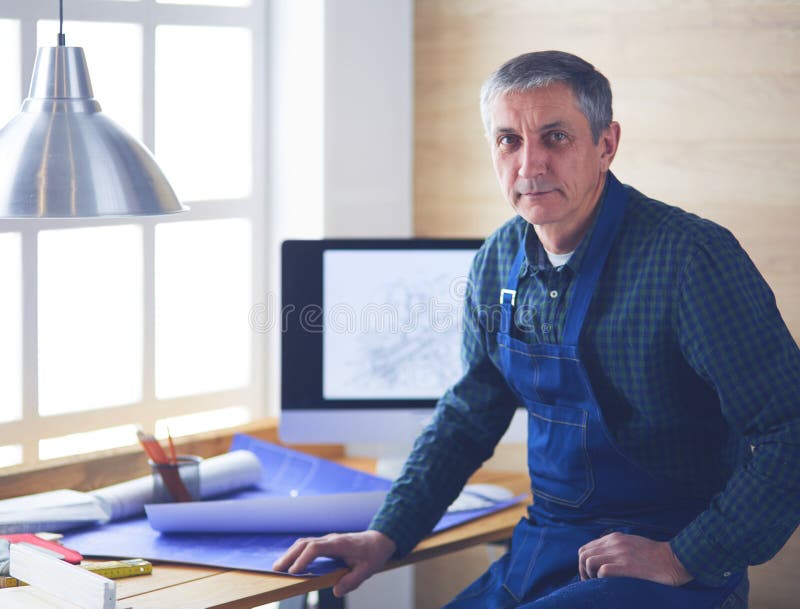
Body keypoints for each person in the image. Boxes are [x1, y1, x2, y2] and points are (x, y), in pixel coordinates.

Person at [274, 51, 800, 608]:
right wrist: (387, 533)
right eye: (508, 141)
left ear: (606, 144)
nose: (530, 165)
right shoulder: (497, 259)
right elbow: (469, 415)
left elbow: (789, 430)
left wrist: (683, 556)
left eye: (555, 137)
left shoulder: (691, 260)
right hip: (544, 546)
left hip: (664, 560)